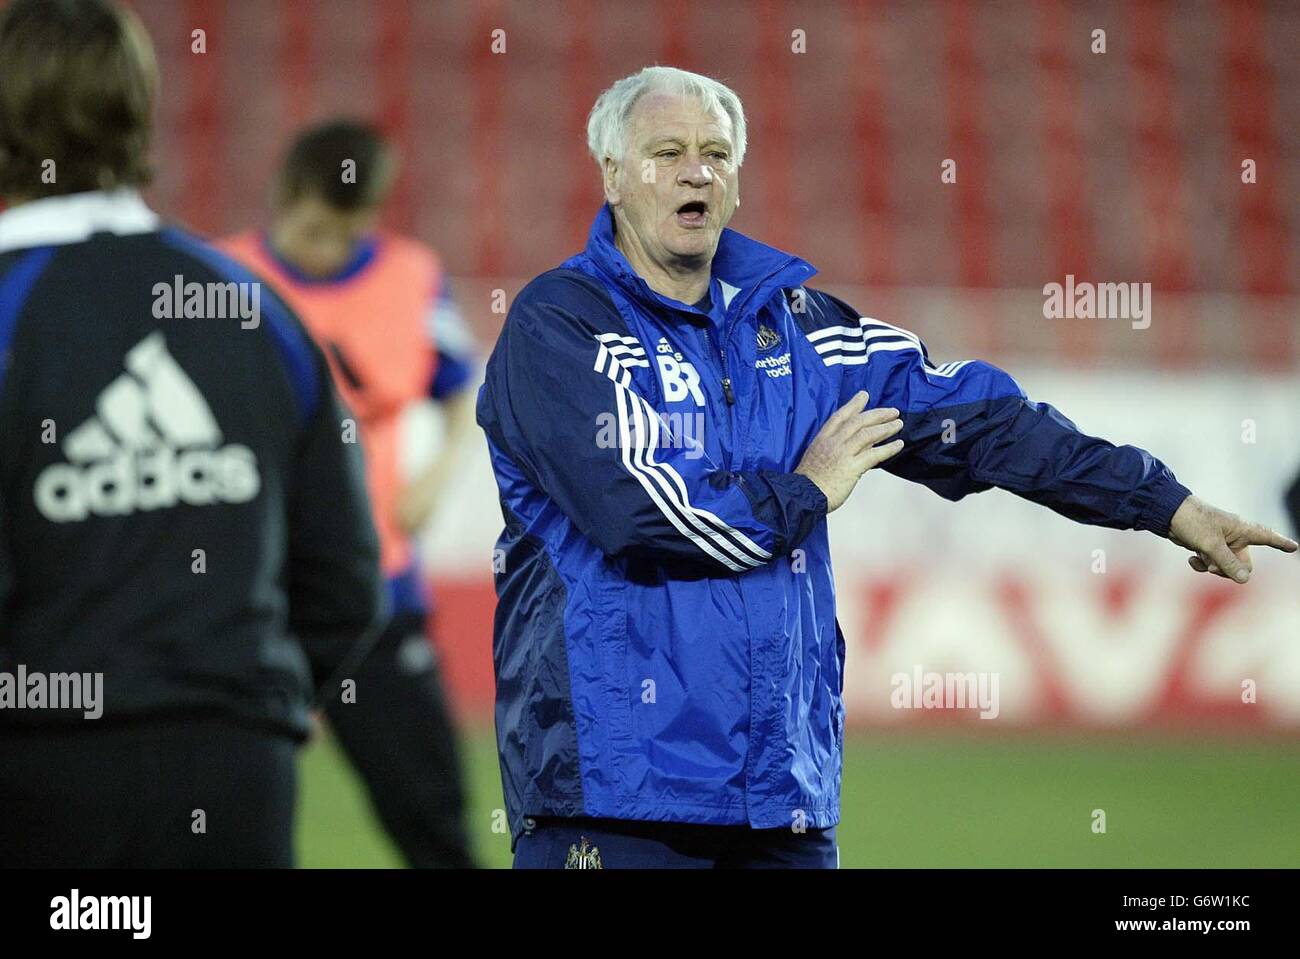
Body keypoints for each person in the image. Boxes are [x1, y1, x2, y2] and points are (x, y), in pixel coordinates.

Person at [476, 66, 1299, 869]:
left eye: (717, 153)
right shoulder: (562, 328)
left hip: (780, 799)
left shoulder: (803, 332)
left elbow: (985, 424)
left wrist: (1162, 502)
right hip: (615, 803)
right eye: (666, 153)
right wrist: (805, 491)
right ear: (614, 176)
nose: (697, 170)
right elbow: (639, 510)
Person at [0, 0, 383, 867]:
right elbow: (347, 576)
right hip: (237, 777)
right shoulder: (251, 307)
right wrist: (250, 703)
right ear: (140, 110)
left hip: (44, 785)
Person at [220, 121, 478, 869]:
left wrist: (436, 476)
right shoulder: (219, 281)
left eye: (346, 230)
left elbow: (461, 391)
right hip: (248, 595)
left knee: (433, 819)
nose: (325, 248)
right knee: (220, 823)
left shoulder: (413, 278)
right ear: (281, 198)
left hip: (376, 591)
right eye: (310, 229)